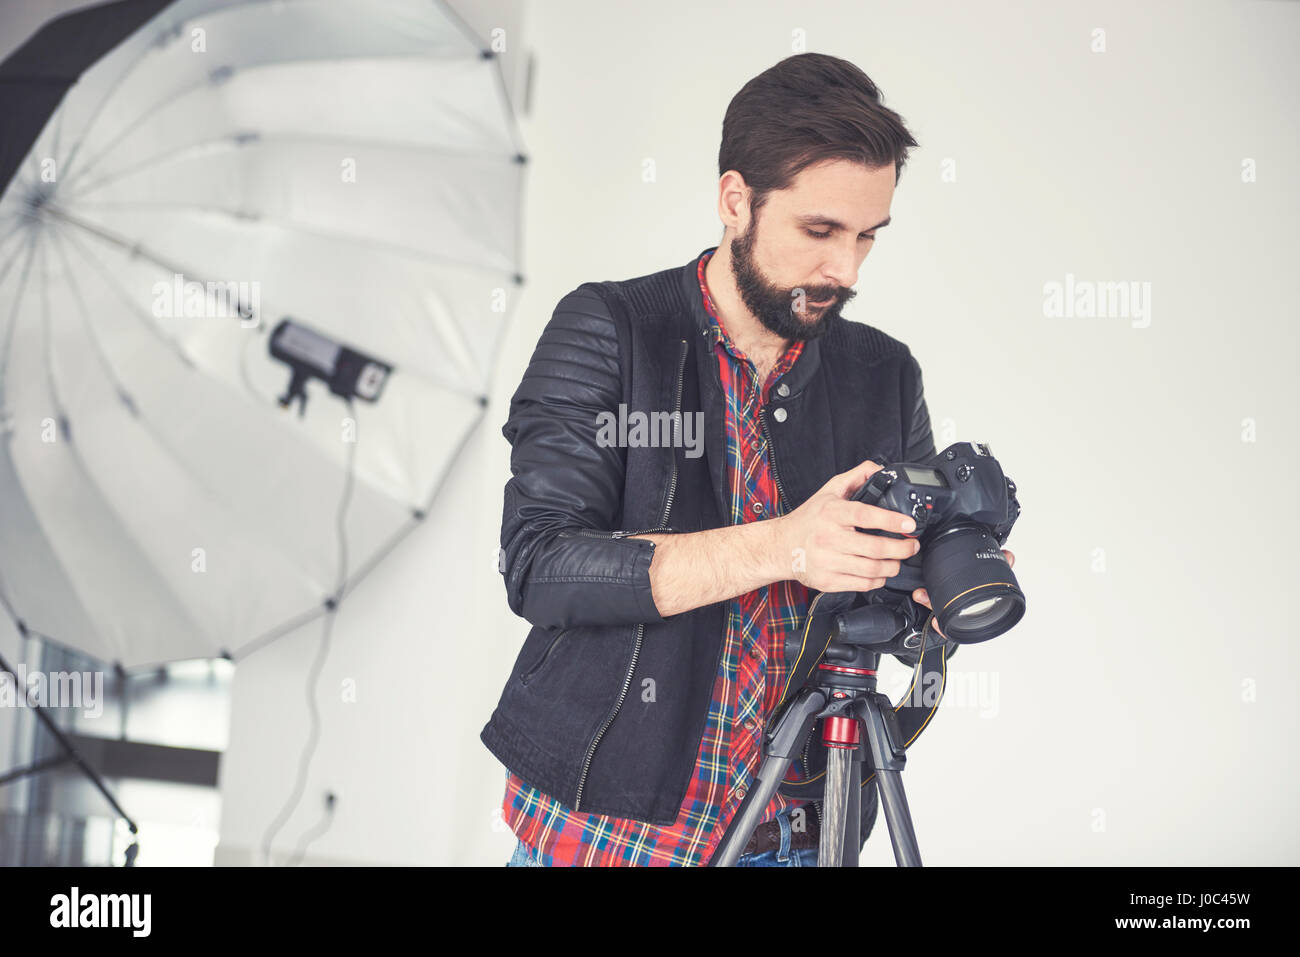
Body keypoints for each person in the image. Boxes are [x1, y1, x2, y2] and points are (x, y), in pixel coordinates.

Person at [481, 52, 1013, 867]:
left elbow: (884, 610)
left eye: (869, 235)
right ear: (736, 200)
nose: (847, 268)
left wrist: (931, 597)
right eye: (820, 230)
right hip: (603, 838)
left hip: (797, 837)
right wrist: (784, 544)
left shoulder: (884, 373)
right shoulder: (611, 330)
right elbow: (542, 567)